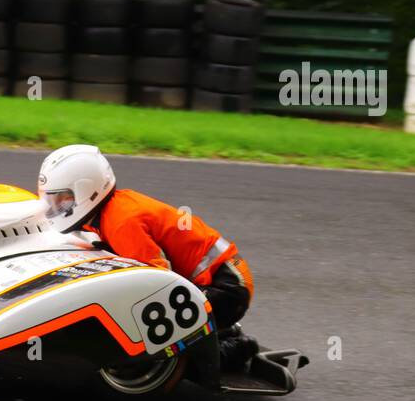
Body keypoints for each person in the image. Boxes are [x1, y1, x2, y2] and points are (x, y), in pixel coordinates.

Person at [36, 144, 259, 369]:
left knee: (172, 347)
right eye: (52, 200)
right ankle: (223, 332)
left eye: (62, 200)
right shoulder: (108, 212)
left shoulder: (122, 222)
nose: (55, 207)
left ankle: (235, 348)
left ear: (86, 191)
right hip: (217, 280)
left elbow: (157, 280)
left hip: (227, 287)